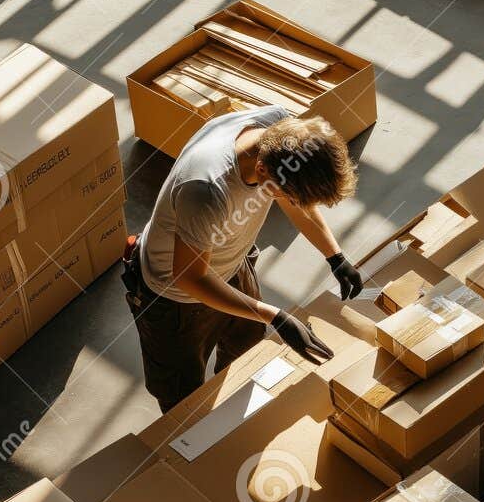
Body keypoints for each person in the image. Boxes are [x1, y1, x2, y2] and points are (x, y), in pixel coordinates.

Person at [122, 106, 364, 410]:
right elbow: (190, 276)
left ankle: (230, 405)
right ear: (261, 169)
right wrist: (275, 315)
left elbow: (295, 200)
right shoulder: (206, 189)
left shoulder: (280, 128)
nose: (287, 201)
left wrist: (335, 257)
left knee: (245, 346)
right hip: (175, 297)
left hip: (233, 261)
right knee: (182, 396)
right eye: (284, 194)